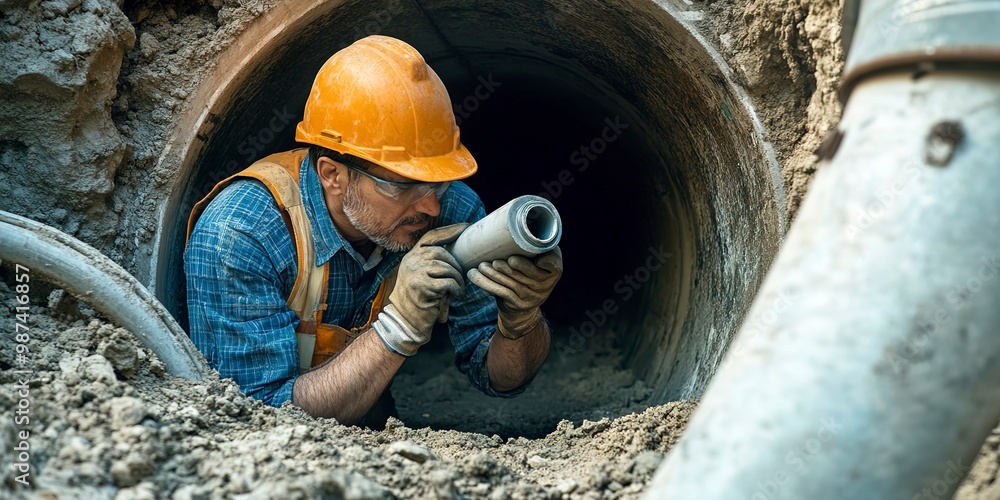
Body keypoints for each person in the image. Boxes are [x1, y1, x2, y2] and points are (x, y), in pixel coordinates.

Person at [183, 35, 563, 427]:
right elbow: (255, 417)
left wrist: (520, 320)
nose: (431, 207)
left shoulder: (451, 209)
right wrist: (399, 327)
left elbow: (498, 377)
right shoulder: (242, 233)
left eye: (437, 183)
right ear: (333, 175)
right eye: (402, 186)